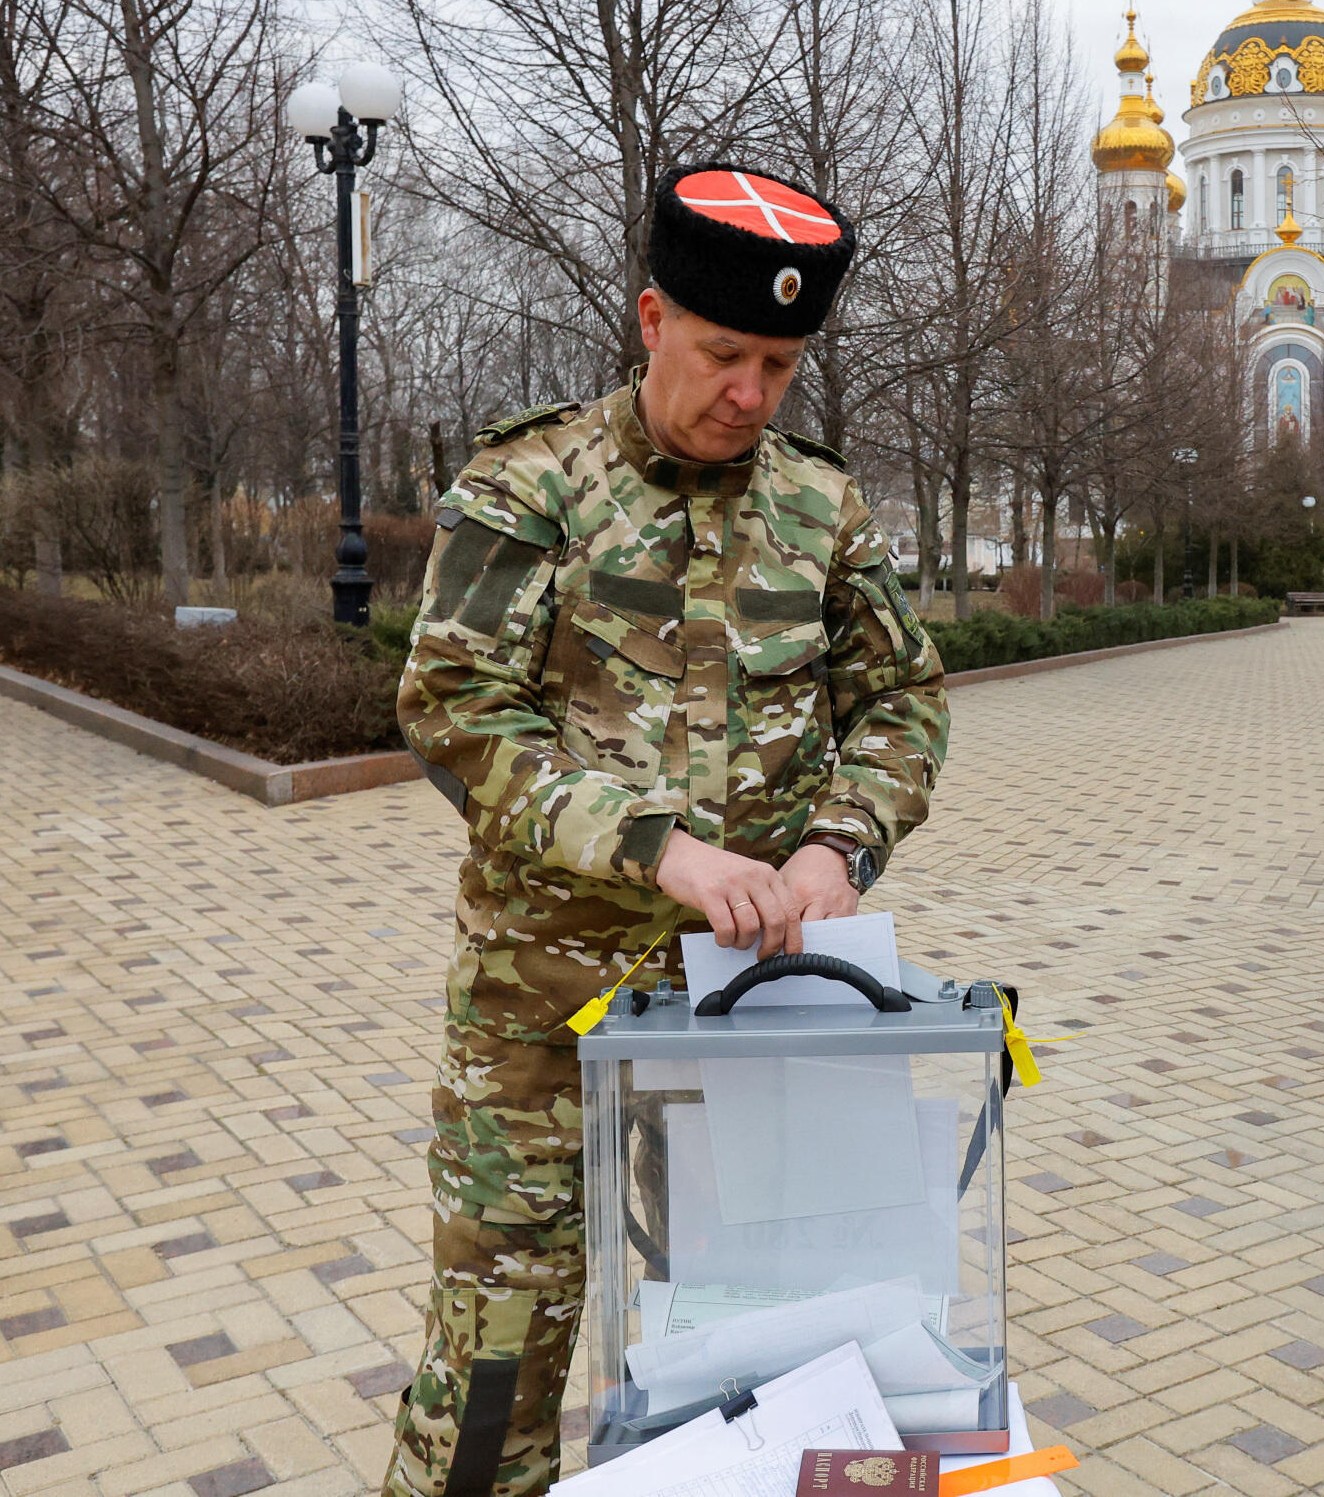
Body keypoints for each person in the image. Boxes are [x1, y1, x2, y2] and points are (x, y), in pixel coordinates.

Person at [383, 163, 950, 1497]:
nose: (749, 392)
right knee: (494, 1360)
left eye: (778, 364)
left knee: (755, 1347)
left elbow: (903, 699)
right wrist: (661, 850)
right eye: (722, 354)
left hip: (751, 1015)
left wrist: (837, 848)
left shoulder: (822, 510)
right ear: (650, 320)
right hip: (542, 1015)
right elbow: (453, 707)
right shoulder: (533, 485)